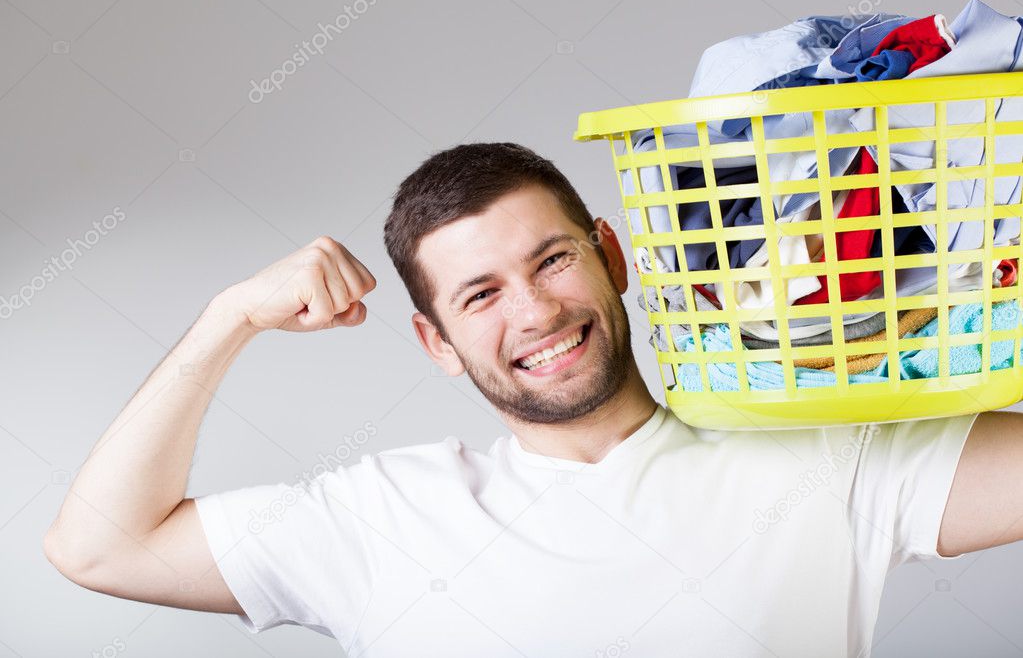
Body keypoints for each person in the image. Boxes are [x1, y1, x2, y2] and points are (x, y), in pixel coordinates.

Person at [43, 143, 1023, 656]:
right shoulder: (376, 517)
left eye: (552, 260)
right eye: (480, 295)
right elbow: (99, 547)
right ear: (436, 342)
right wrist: (227, 319)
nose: (537, 311)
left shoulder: (823, 459)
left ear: (612, 256)